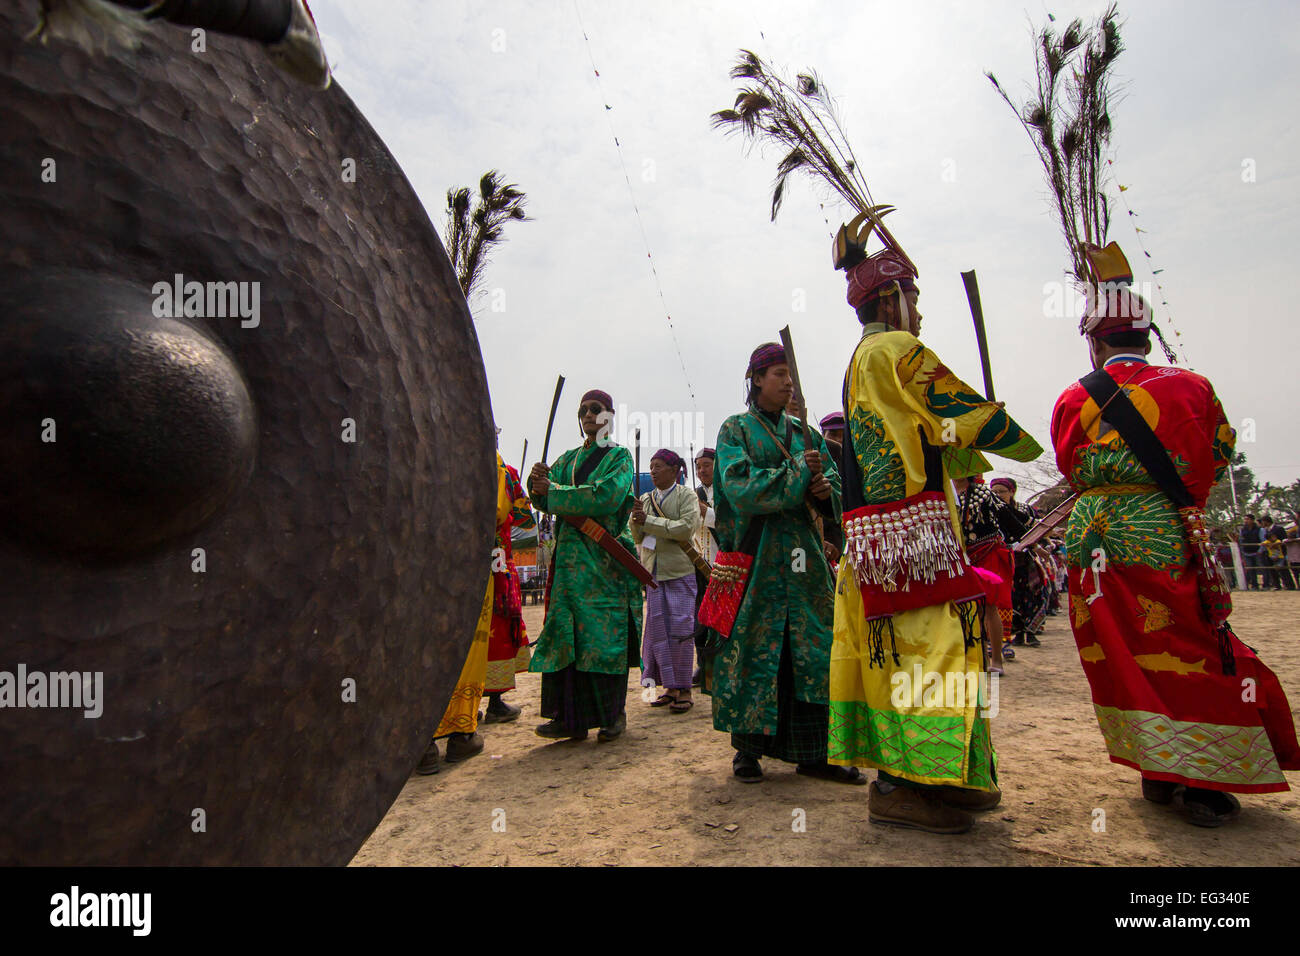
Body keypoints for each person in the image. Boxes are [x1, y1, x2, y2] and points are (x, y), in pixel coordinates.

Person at [1050, 242, 1300, 826]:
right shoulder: (1192, 386)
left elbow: (1068, 463)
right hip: (1160, 528)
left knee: (1121, 650)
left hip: (1093, 539)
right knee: (1185, 645)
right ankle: (1205, 779)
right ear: (1148, 333)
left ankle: (1159, 772)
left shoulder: (1071, 396)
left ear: (1095, 340)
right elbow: (1219, 451)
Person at [824, 216, 1043, 834]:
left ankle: (939, 779)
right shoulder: (897, 350)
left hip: (887, 537)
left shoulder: (861, 359)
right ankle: (905, 785)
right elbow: (958, 415)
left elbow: (928, 433)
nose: (919, 312)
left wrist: (965, 428)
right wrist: (1001, 426)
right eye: (914, 298)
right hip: (912, 538)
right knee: (935, 655)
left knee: (910, 658)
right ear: (891, 298)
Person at [709, 343, 862, 785]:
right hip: (756, 561)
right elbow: (739, 488)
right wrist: (798, 473)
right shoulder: (734, 430)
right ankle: (747, 752)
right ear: (756, 379)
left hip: (804, 560)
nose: (788, 382)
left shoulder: (807, 434)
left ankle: (817, 753)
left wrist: (822, 487)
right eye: (779, 373)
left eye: (790, 374)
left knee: (811, 650)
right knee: (755, 652)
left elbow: (835, 487)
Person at [527, 390, 643, 743]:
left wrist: (554, 491)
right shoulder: (566, 459)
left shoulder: (619, 457)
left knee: (603, 638)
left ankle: (612, 716)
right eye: (584, 411)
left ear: (610, 416)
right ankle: (569, 718)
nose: (589, 415)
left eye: (597, 409)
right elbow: (544, 499)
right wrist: (537, 484)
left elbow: (605, 497)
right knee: (568, 637)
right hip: (568, 567)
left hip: (603, 563)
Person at [631, 449, 701, 714]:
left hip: (680, 571)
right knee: (657, 630)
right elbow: (638, 537)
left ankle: (684, 688)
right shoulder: (646, 499)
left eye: (659, 466)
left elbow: (685, 528)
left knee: (681, 628)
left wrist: (648, 521)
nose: (654, 471)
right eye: (651, 467)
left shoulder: (687, 495)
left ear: (675, 470)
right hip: (654, 573)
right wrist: (637, 519)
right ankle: (668, 687)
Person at [483, 451, 536, 723]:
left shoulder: (456, 468)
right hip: (498, 560)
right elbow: (525, 519)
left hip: (464, 563)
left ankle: (466, 702)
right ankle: (494, 702)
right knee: (499, 624)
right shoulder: (508, 473)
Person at [954, 474, 1015, 674]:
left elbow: (1011, 520)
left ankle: (996, 659)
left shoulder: (983, 494)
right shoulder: (946, 492)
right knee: (964, 608)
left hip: (987, 552)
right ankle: (974, 658)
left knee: (989, 606)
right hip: (961, 554)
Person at [990, 478, 1041, 648]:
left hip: (1024, 558)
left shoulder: (1023, 510)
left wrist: (1040, 546)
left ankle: (1031, 632)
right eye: (994, 491)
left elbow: (1033, 530)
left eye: (1001, 491)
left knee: (1031, 593)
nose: (997, 495)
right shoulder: (992, 509)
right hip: (1003, 558)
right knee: (1010, 596)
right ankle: (1017, 632)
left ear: (1012, 492)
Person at [690, 448, 720, 690]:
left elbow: (733, 522)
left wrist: (707, 512)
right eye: (698, 466)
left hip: (725, 563)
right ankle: (703, 666)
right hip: (701, 564)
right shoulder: (694, 494)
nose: (702, 471)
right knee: (701, 619)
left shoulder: (728, 490)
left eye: (706, 465)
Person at [1238, 514, 1263, 590]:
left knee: (1262, 568)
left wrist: (1260, 550)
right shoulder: (1243, 530)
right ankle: (1254, 585)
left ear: (1252, 520)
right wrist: (1242, 550)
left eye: (1247, 519)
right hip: (1247, 552)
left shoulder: (1259, 529)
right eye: (1245, 519)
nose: (1246, 521)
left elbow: (1262, 540)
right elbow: (1241, 540)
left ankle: (1266, 584)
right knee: (1251, 569)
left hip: (1257, 551)